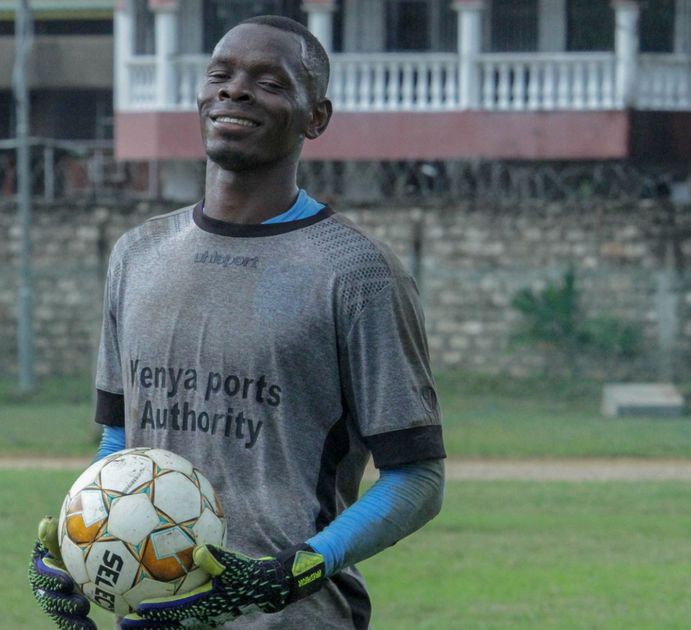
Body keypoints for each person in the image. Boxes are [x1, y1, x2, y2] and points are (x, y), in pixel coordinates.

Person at [29, 15, 445, 630]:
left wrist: (292, 571)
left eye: (269, 81)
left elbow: (417, 478)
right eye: (220, 74)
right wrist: (75, 542)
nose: (235, 90)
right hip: (153, 618)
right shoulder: (137, 255)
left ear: (316, 117)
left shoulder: (358, 274)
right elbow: (121, 442)